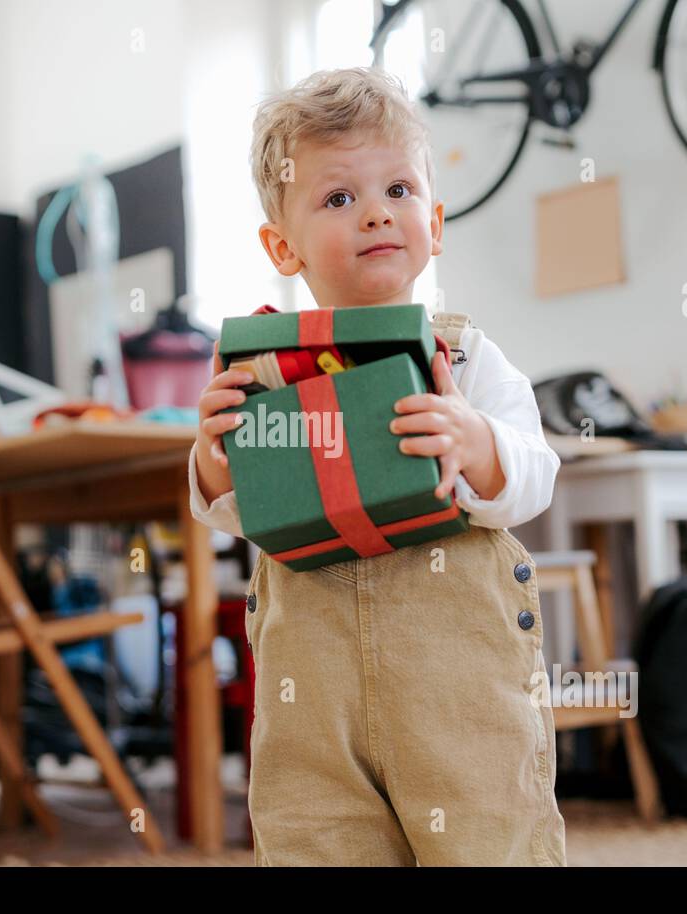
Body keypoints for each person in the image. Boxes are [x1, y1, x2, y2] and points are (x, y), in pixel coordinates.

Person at [189, 66, 566, 866]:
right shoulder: (261, 369)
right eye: (337, 198)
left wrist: (478, 444)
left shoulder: (464, 356)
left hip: (458, 686)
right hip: (311, 700)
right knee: (313, 832)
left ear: (434, 219)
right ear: (281, 245)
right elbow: (226, 507)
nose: (374, 213)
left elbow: (536, 470)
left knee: (487, 834)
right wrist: (213, 455)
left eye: (398, 189)